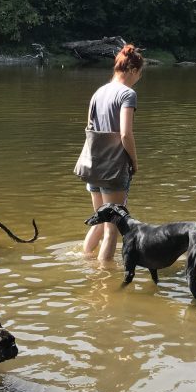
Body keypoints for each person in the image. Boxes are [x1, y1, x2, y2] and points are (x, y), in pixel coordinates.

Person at [82, 44, 144, 261]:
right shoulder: (128, 94)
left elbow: (91, 128)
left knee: (99, 222)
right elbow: (126, 134)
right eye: (140, 74)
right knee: (112, 229)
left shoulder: (99, 92)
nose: (139, 78)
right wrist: (134, 163)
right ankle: (104, 279)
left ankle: (85, 259)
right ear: (133, 70)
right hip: (113, 167)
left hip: (93, 165)